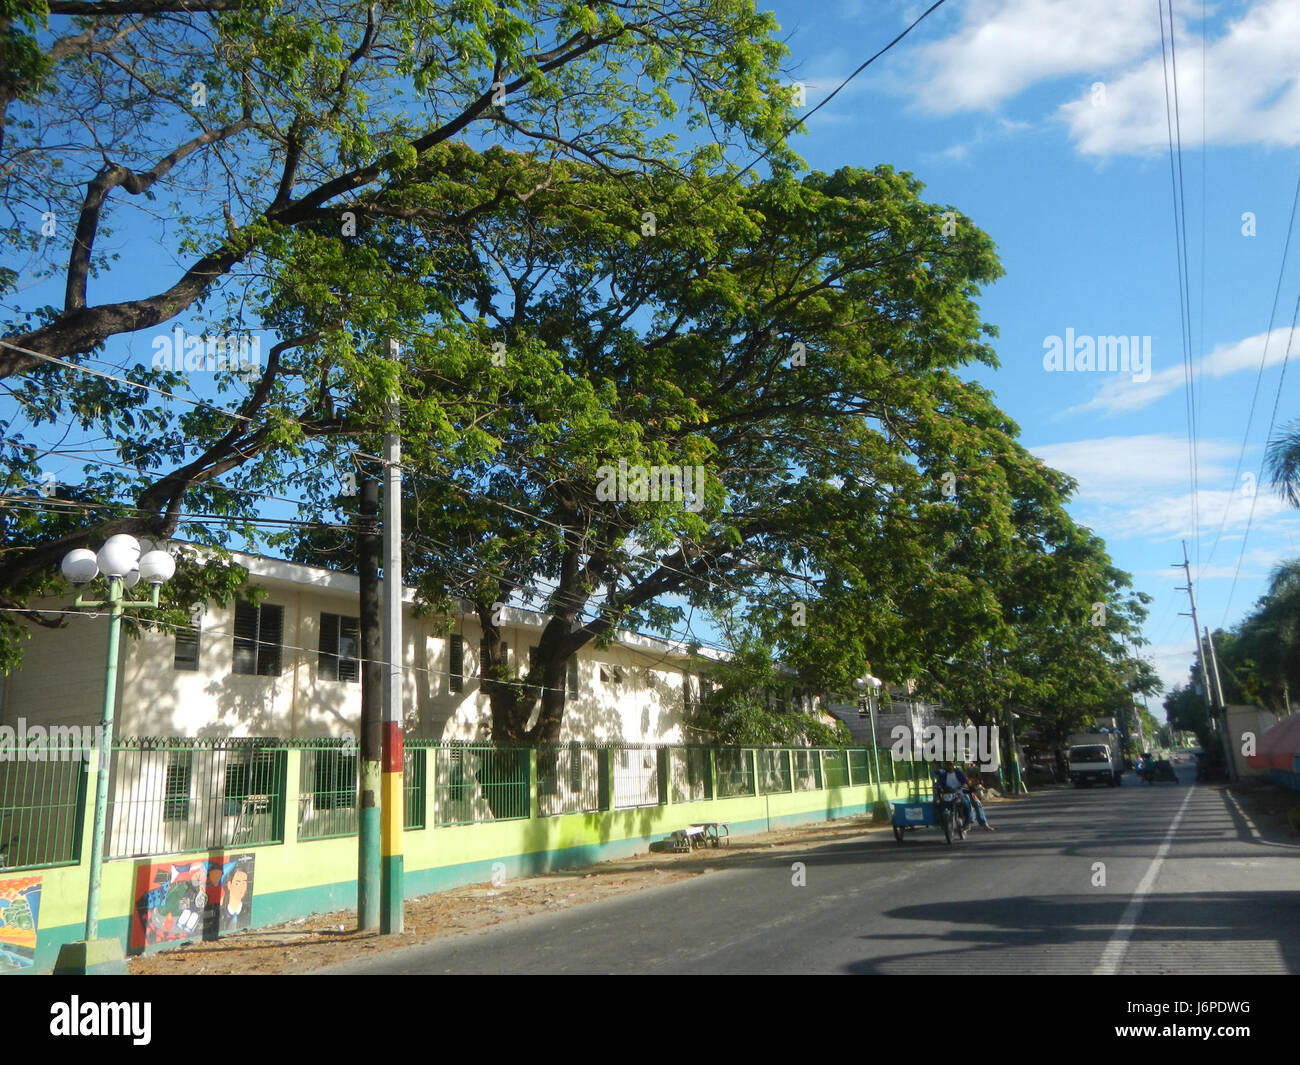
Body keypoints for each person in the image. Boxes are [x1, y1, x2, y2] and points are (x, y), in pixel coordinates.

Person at [933, 760, 973, 829]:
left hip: (959, 793)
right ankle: (942, 823)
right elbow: (940, 782)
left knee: (966, 804)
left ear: (953, 765)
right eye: (948, 764)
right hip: (948, 794)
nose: (949, 766)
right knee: (939, 805)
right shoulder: (944, 775)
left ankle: (967, 823)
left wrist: (964, 785)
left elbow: (965, 781)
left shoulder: (958, 773)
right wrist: (937, 786)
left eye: (951, 764)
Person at [965, 764, 995, 831]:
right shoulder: (958, 774)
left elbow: (974, 784)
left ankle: (984, 824)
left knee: (977, 803)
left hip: (968, 792)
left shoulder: (973, 776)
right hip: (957, 793)